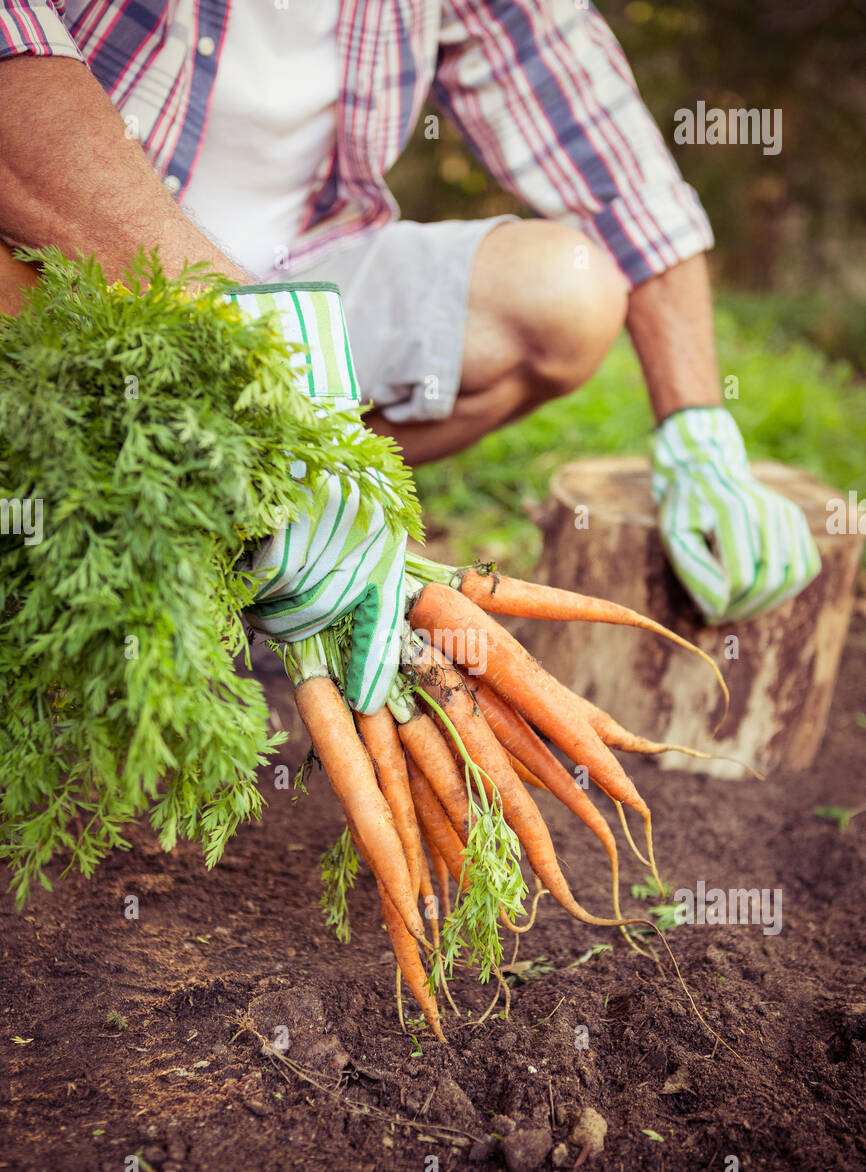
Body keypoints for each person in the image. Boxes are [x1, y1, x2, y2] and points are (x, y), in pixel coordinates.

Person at [0, 1, 819, 711]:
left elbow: (609, 156)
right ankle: (100, 545)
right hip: (66, 268)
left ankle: (240, 556)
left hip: (307, 270)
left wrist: (698, 419)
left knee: (566, 291)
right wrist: (243, 330)